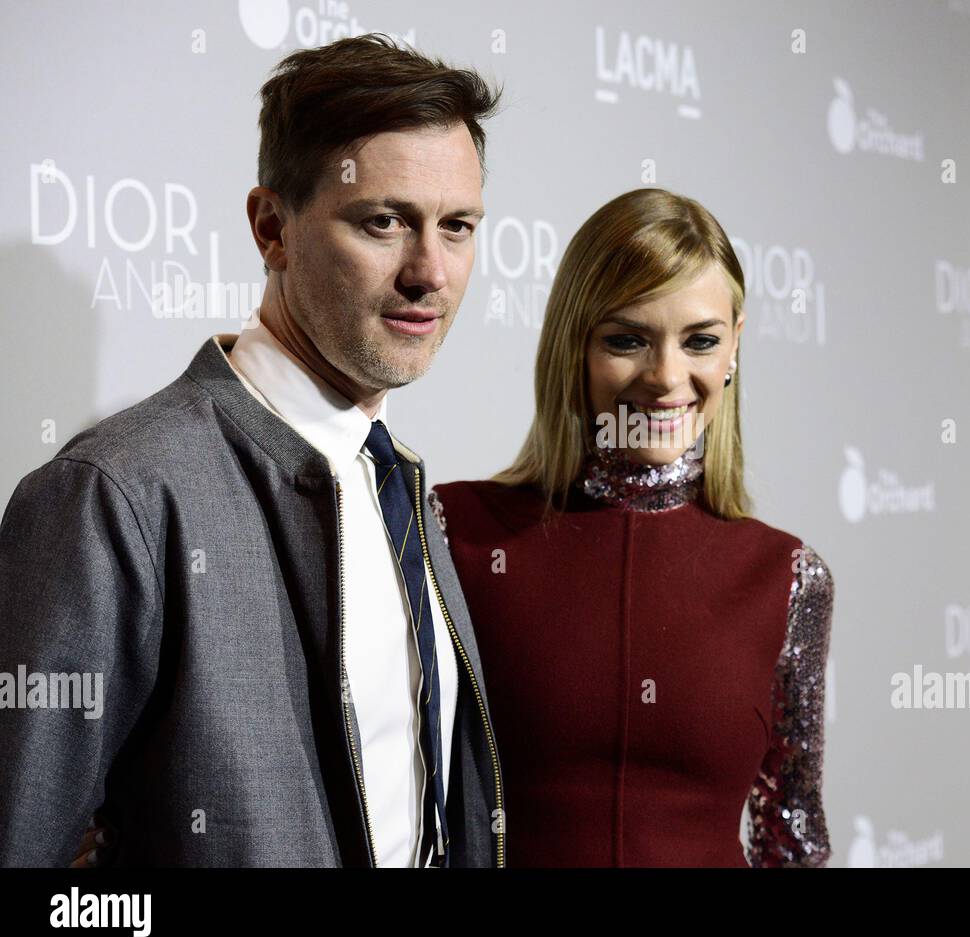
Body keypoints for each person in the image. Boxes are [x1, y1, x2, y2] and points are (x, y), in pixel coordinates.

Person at [0, 34, 505, 867]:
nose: (430, 271)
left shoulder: (404, 488)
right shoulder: (117, 493)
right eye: (385, 222)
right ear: (272, 227)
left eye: (457, 226)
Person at [430, 187, 834, 866]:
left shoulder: (788, 577)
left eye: (699, 340)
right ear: (574, 345)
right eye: (627, 339)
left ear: (734, 347)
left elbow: (790, 839)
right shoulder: (456, 533)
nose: (665, 376)